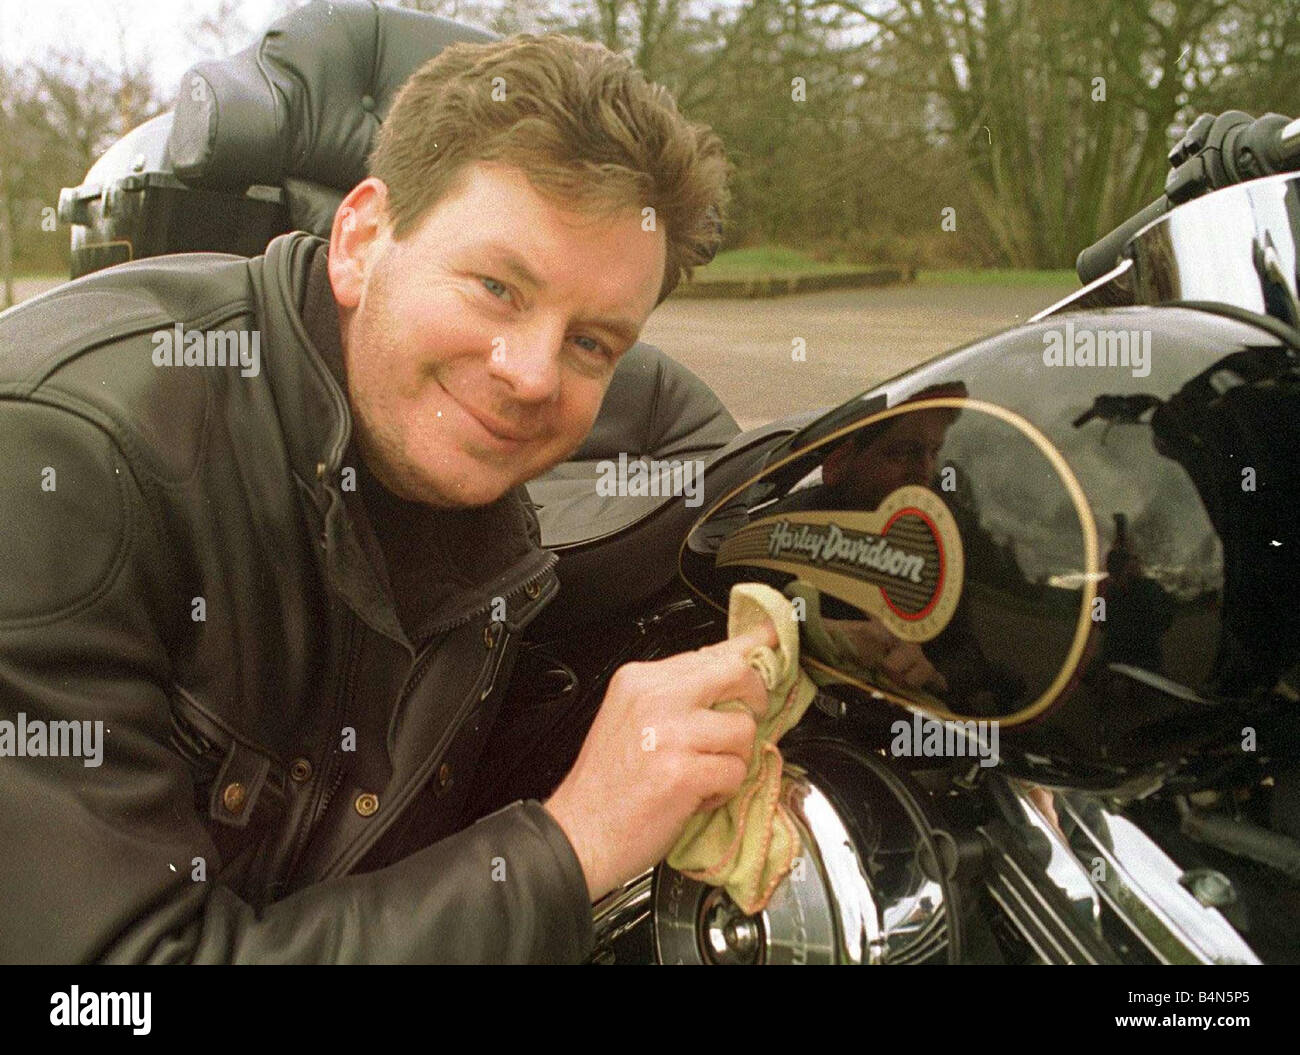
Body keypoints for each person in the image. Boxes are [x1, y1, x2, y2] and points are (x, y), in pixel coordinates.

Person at [0, 33, 775, 964]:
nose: (530, 376)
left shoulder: (449, 473)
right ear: (362, 239)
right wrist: (574, 846)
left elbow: (414, 801)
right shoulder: (64, 460)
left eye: (592, 344)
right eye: (497, 287)